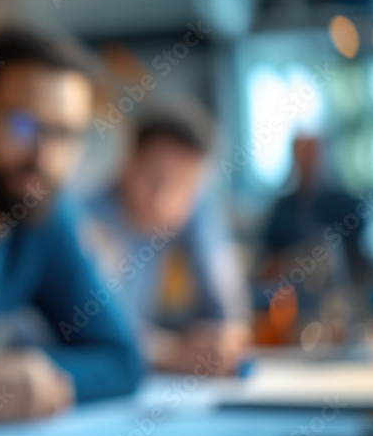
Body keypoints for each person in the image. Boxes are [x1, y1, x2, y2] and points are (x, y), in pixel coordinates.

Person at [0, 28, 144, 425]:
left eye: (65, 134)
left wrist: (27, 373)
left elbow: (121, 359)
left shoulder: (44, 217)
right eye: (22, 124)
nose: (44, 156)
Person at [80, 102, 251, 375]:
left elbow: (227, 309)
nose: (162, 199)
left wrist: (225, 336)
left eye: (182, 185)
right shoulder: (85, 220)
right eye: (154, 177)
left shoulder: (186, 208)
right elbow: (93, 331)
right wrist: (171, 353)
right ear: (128, 160)